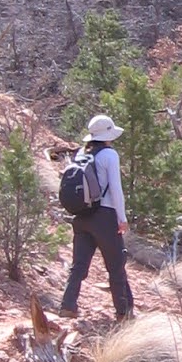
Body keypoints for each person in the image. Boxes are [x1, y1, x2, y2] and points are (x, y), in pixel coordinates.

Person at [58, 114, 134, 320]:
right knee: (116, 266)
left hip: (82, 215)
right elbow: (116, 189)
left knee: (79, 265)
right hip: (105, 215)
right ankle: (124, 312)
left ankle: (67, 306)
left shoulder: (81, 153)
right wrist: (122, 218)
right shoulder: (110, 155)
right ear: (108, 135)